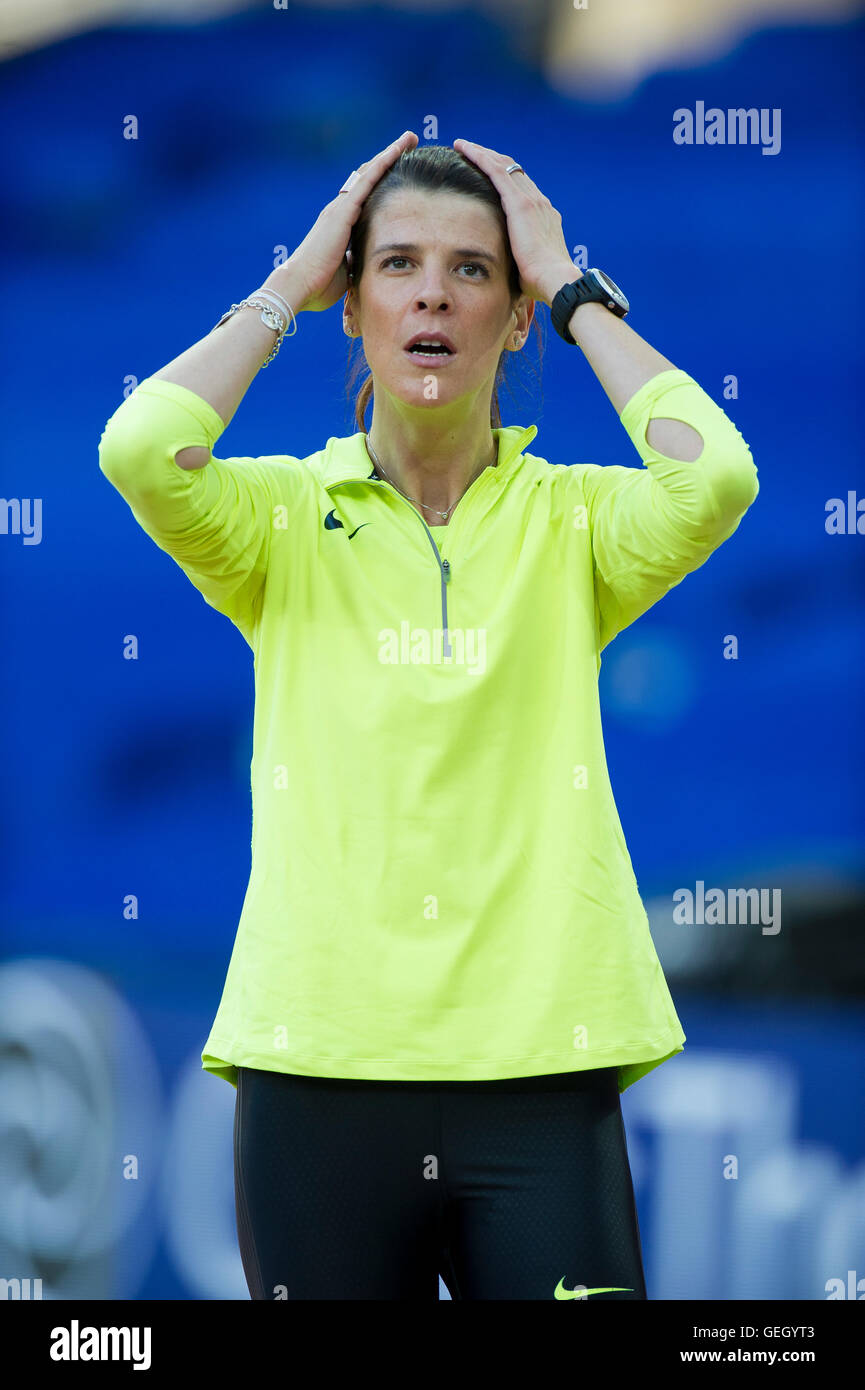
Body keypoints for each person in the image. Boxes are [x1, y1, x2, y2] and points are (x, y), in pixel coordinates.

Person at [98, 131, 759, 1300]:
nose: (431, 295)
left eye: (472, 270)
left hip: (540, 1071)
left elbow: (714, 479)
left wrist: (573, 287)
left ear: (513, 318)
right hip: (322, 1074)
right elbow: (142, 448)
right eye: (395, 265)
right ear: (353, 307)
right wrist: (294, 281)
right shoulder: (282, 519)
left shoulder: (574, 525)